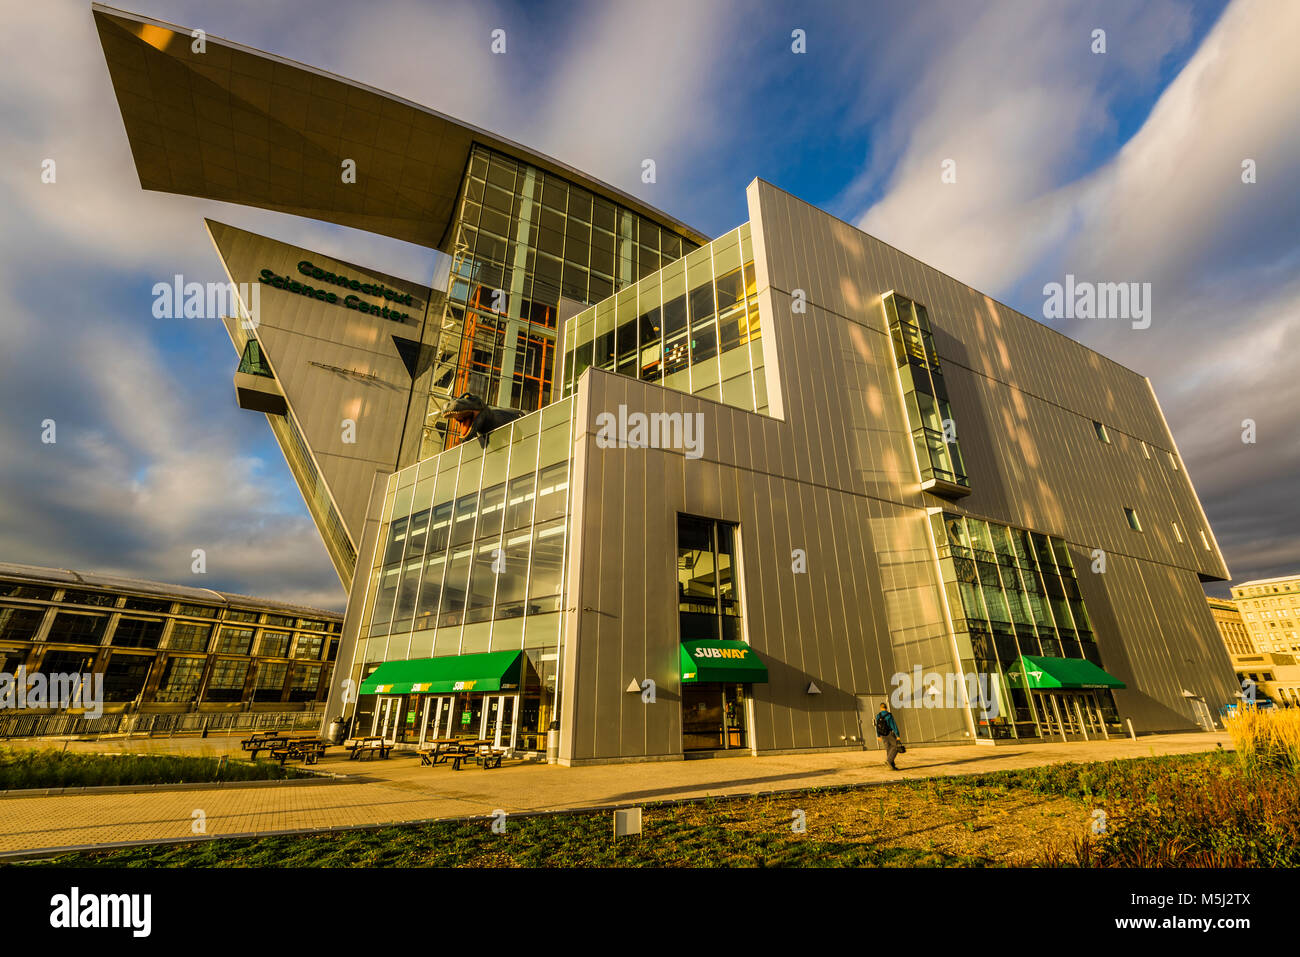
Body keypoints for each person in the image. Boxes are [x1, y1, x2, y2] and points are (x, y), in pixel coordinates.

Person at [874, 702, 903, 770]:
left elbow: (877, 726)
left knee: (888, 749)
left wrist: (878, 735)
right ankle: (889, 761)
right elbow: (893, 725)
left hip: (882, 735)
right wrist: (897, 735)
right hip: (889, 733)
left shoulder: (878, 715)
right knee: (896, 746)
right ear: (886, 707)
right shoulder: (889, 715)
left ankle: (892, 766)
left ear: (881, 708)